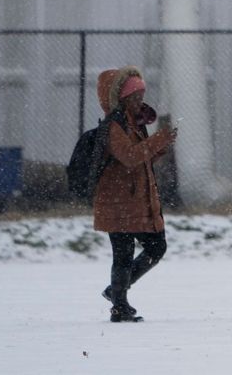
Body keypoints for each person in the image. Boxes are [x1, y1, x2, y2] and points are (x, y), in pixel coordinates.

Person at [93, 67, 178, 323]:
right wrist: (156, 141)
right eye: (135, 96)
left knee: (156, 246)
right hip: (117, 201)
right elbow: (129, 157)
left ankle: (117, 293)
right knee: (123, 253)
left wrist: (159, 146)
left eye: (141, 94)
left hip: (134, 201)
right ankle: (119, 306)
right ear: (121, 98)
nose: (140, 100)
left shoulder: (133, 123)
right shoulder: (114, 127)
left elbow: (141, 156)